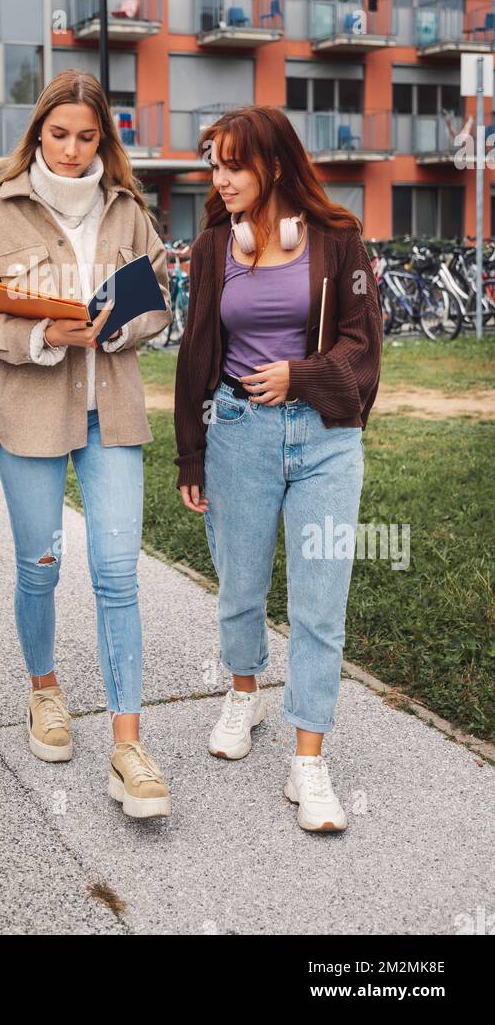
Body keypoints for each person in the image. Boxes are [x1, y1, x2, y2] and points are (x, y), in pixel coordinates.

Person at [0, 69, 173, 818]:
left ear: (103, 137)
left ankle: (128, 746)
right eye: (58, 135)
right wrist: (44, 333)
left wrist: (119, 324)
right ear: (36, 134)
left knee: (117, 574)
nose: (72, 150)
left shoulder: (127, 212)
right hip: (31, 413)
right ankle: (44, 692)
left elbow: (159, 304)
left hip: (111, 414)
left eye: (86, 136)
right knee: (39, 565)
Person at [173, 105, 382, 833]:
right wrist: (190, 452)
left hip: (324, 441)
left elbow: (362, 344)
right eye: (213, 165)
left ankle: (308, 762)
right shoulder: (212, 248)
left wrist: (303, 374)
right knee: (239, 588)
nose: (219, 178)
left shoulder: (336, 239)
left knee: (319, 605)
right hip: (236, 436)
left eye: (233, 165)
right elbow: (195, 351)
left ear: (272, 164)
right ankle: (241, 693)